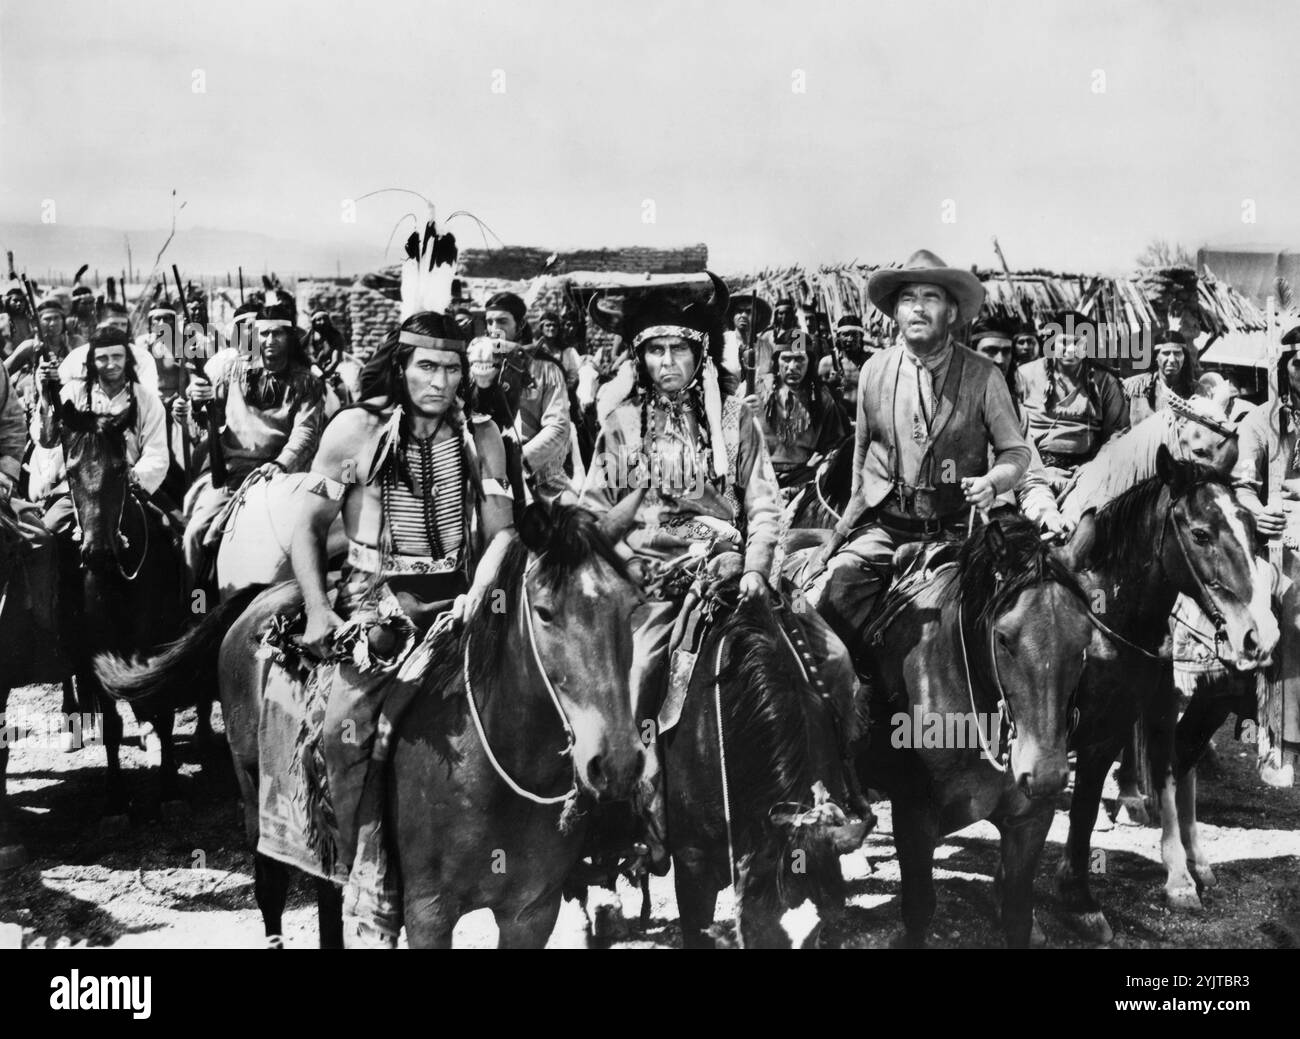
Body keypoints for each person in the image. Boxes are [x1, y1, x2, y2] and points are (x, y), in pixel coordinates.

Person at [581, 273, 852, 868]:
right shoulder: (620, 426)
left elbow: (762, 502)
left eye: (679, 348)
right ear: (640, 357)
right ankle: (621, 826)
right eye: (655, 350)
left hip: (734, 574)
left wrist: (757, 567)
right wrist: (626, 567)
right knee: (636, 677)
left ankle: (829, 796)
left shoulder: (733, 418)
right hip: (654, 582)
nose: (667, 361)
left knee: (830, 658)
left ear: (700, 352)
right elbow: (598, 513)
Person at [296, 309, 515, 946]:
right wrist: (317, 607)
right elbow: (308, 527)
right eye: (427, 366)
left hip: (464, 607)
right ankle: (357, 869)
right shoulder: (354, 430)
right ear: (401, 365)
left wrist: (479, 593)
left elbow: (502, 532)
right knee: (341, 730)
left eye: (451, 368)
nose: (440, 381)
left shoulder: (482, 435)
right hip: (376, 608)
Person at [799, 250, 1032, 652]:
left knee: (995, 631)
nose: (918, 308)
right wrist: (847, 527)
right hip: (885, 529)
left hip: (958, 532)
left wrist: (994, 482)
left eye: (931, 297)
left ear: (953, 313)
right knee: (824, 607)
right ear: (895, 313)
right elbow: (861, 451)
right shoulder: (874, 369)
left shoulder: (984, 376)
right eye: (908, 298)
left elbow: (1016, 452)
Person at [175, 293, 325, 579]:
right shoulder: (231, 371)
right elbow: (209, 420)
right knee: (195, 534)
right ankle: (196, 606)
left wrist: (280, 465)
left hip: (283, 476)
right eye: (264, 334)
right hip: (232, 473)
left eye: (278, 334)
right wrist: (198, 401)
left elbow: (305, 434)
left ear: (290, 337)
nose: (270, 341)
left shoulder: (307, 382)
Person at [31, 325, 170, 536]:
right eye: (103, 358)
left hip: (128, 488)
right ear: (92, 362)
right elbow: (48, 440)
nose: (111, 364)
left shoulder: (147, 401)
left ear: (127, 359)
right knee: (46, 535)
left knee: (173, 536)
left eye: (117, 356)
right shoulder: (73, 393)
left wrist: (129, 477)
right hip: (79, 492)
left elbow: (157, 454)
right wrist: (46, 396)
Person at [968, 314, 1070, 537]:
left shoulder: (1014, 410)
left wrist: (1048, 516)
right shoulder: (947, 405)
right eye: (991, 350)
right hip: (957, 520)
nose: (1000, 359)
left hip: (1004, 521)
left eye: (1006, 351)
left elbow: (1030, 480)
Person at [1015, 310, 1129, 492]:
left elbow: (1118, 433)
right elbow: (1010, 429)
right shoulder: (1025, 376)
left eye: (1078, 343)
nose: (1071, 349)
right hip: (1034, 470)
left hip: (1085, 472)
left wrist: (1094, 467)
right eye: (1064, 342)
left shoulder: (1105, 382)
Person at [483, 291, 571, 503]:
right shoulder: (480, 366)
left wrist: (517, 462)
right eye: (489, 322)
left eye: (502, 321)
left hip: (536, 472)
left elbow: (558, 427)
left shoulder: (546, 369)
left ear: (520, 325)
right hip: (486, 474)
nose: (494, 329)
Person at [756, 334, 848, 495]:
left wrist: (820, 466)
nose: (792, 366)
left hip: (803, 480)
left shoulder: (821, 398)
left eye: (799, 359)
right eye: (786, 359)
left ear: (810, 362)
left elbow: (834, 445)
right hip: (759, 479)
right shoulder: (757, 390)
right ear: (776, 361)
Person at [1124, 329, 1197, 426]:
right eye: (1166, 353)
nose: (1171, 359)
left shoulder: (1197, 392)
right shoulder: (1134, 387)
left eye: (1177, 353)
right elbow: (1119, 429)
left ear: (1185, 357)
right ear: (1156, 356)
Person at [722, 291, 775, 394]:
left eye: (749, 311)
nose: (744, 315)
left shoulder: (767, 348)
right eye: (739, 311)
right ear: (733, 316)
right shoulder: (723, 342)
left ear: (757, 317)